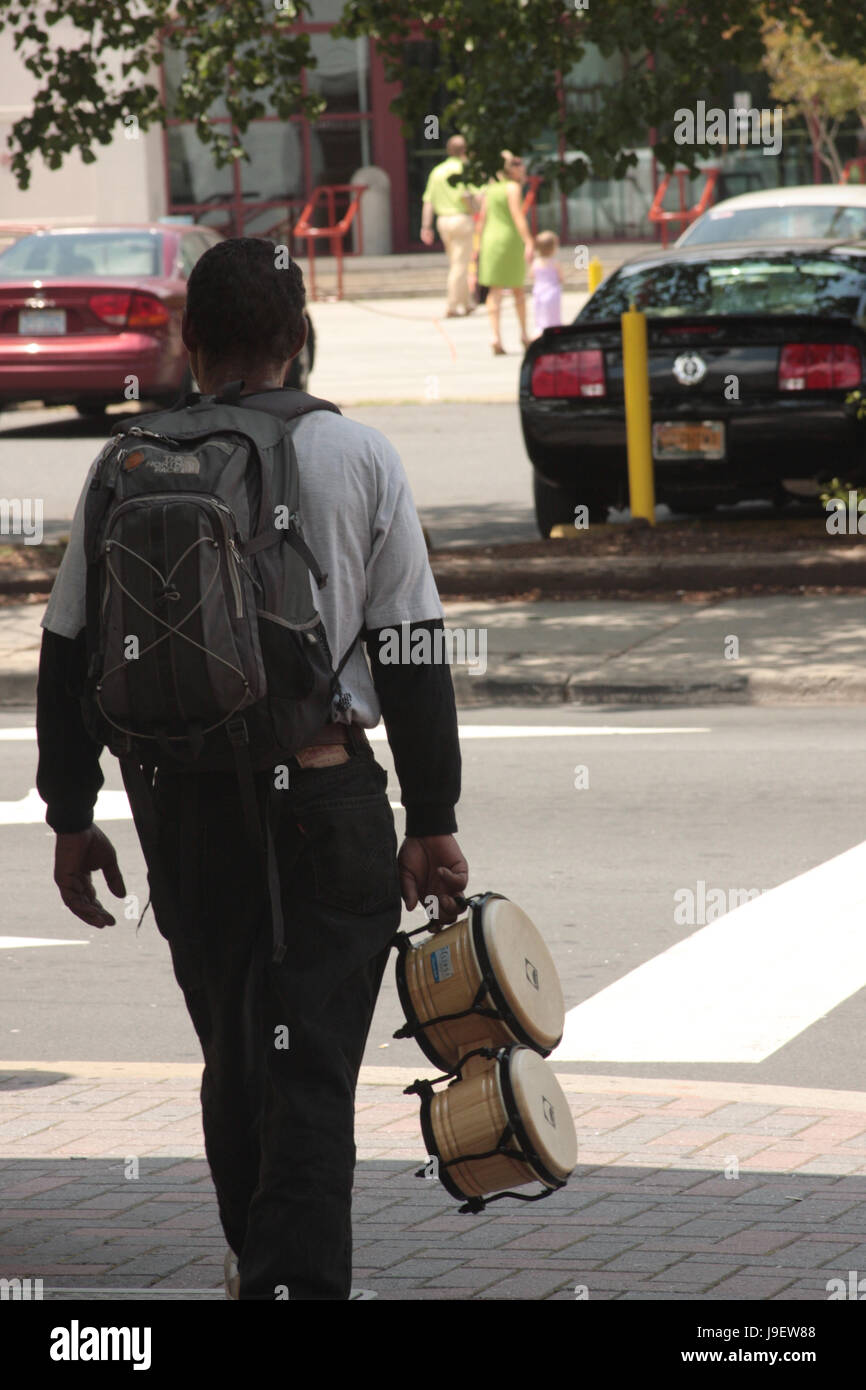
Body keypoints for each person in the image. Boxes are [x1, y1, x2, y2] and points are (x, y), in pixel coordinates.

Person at [35, 237, 469, 1301]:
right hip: (323, 799)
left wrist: (70, 814)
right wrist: (434, 814)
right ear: (296, 337)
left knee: (237, 1057)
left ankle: (257, 1268)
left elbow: (64, 650)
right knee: (309, 1072)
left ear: (191, 341)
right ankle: (290, 1285)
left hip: (182, 813)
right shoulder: (359, 455)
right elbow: (411, 648)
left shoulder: (122, 462)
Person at [476, 150, 535, 355]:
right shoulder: (512, 188)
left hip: (490, 240)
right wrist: (529, 241)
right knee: (518, 289)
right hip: (509, 240)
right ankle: (524, 334)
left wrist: (478, 245)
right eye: (517, 163)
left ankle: (495, 336)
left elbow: (481, 218)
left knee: (495, 292)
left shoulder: (490, 189)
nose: (521, 167)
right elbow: (518, 216)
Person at [420, 134, 479, 317]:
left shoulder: (437, 171)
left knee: (456, 262)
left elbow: (428, 201)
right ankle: (452, 305)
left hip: (443, 221)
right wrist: (474, 211)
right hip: (461, 219)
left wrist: (426, 226)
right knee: (460, 265)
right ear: (465, 150)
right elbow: (468, 196)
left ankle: (467, 302)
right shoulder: (465, 169)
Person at [530, 230, 564, 335]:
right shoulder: (554, 262)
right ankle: (554, 330)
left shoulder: (535, 262)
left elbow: (531, 275)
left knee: (540, 315)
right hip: (552, 292)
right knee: (553, 315)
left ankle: (540, 330)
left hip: (539, 292)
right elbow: (561, 277)